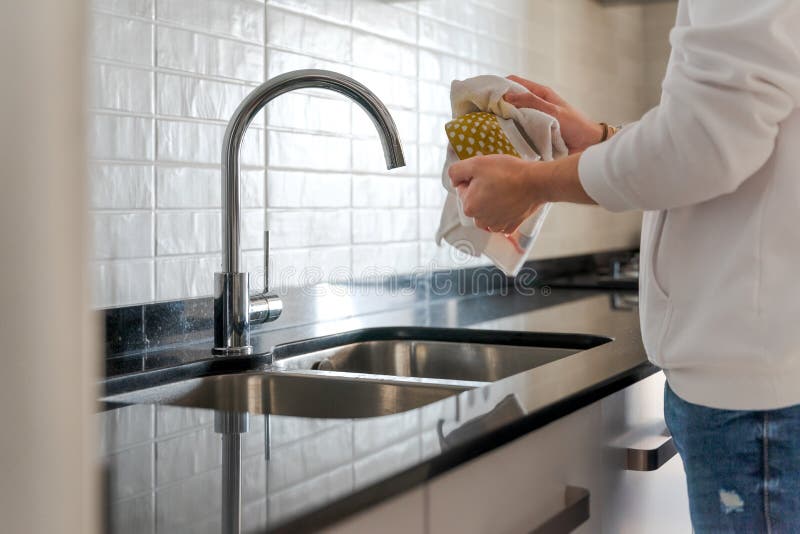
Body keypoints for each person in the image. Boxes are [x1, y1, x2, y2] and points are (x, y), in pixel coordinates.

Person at [448, 1, 800, 532]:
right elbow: (725, 130)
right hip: (756, 376)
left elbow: (702, 145)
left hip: (755, 395)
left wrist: (533, 183)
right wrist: (604, 138)